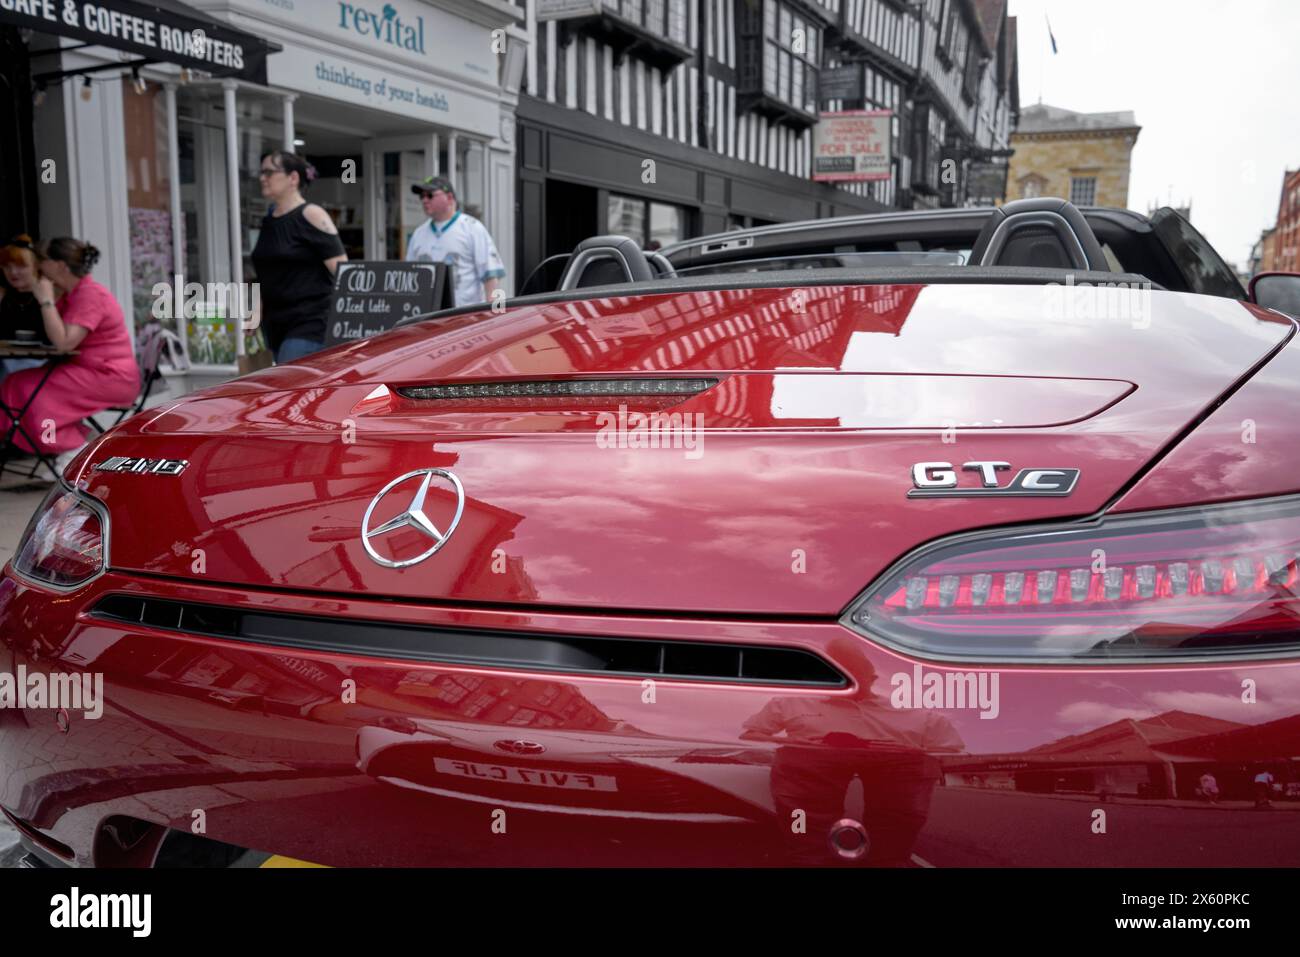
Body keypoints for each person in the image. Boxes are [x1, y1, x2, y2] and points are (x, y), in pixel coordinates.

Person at [0, 238, 140, 477]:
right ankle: (86, 444)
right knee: (15, 383)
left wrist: (45, 299)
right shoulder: (73, 292)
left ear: (60, 266)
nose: (40, 266)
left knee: (34, 395)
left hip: (109, 377)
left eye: (44, 261)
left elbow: (65, 342)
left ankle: (71, 448)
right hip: (86, 370)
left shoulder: (90, 295)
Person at [245, 150, 347, 363]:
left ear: (293, 178)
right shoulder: (269, 220)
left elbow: (343, 273)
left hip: (311, 324)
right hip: (275, 326)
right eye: (261, 172)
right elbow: (267, 276)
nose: (262, 178)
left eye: (269, 172)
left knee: (287, 389)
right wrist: (255, 314)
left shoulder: (312, 215)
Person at [404, 175, 505, 307]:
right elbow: (409, 278)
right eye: (421, 196)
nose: (424, 200)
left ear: (449, 197)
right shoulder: (418, 234)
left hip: (465, 319)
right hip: (427, 319)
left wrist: (496, 314)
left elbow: (492, 276)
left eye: (429, 195)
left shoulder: (472, 228)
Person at [0, 235, 53, 380]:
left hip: (43, 364)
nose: (13, 272)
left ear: (37, 267)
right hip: (9, 361)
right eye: (7, 266)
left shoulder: (48, 296)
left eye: (20, 266)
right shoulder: (7, 297)